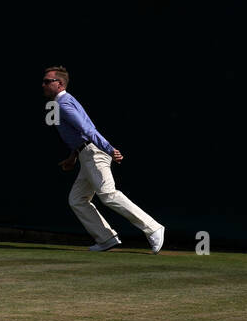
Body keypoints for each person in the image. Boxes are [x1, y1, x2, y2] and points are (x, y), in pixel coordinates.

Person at [42, 66, 164, 253]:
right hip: (86, 155)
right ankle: (107, 238)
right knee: (77, 199)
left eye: (47, 81)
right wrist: (73, 157)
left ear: (59, 84)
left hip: (94, 153)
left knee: (108, 194)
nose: (43, 85)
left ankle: (153, 227)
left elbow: (88, 130)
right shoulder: (63, 103)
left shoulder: (63, 104)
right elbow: (79, 134)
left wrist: (109, 148)